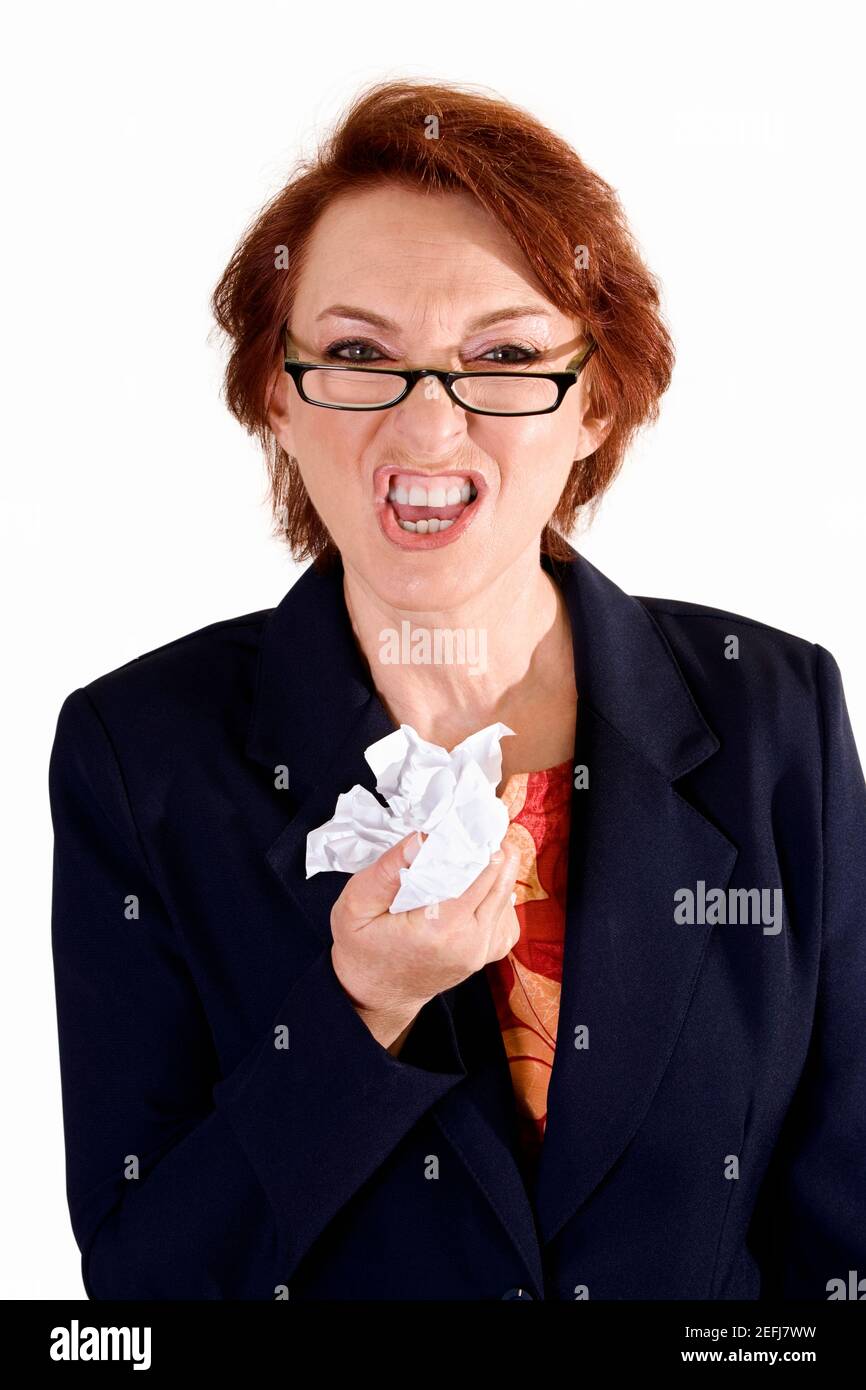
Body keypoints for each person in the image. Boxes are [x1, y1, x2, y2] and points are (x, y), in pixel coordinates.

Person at [49, 78, 866, 1301]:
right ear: (277, 391)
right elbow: (142, 1293)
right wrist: (354, 1011)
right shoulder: (137, 753)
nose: (427, 429)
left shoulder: (775, 715)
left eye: (502, 356)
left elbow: (838, 1234)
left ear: (593, 399)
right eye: (360, 354)